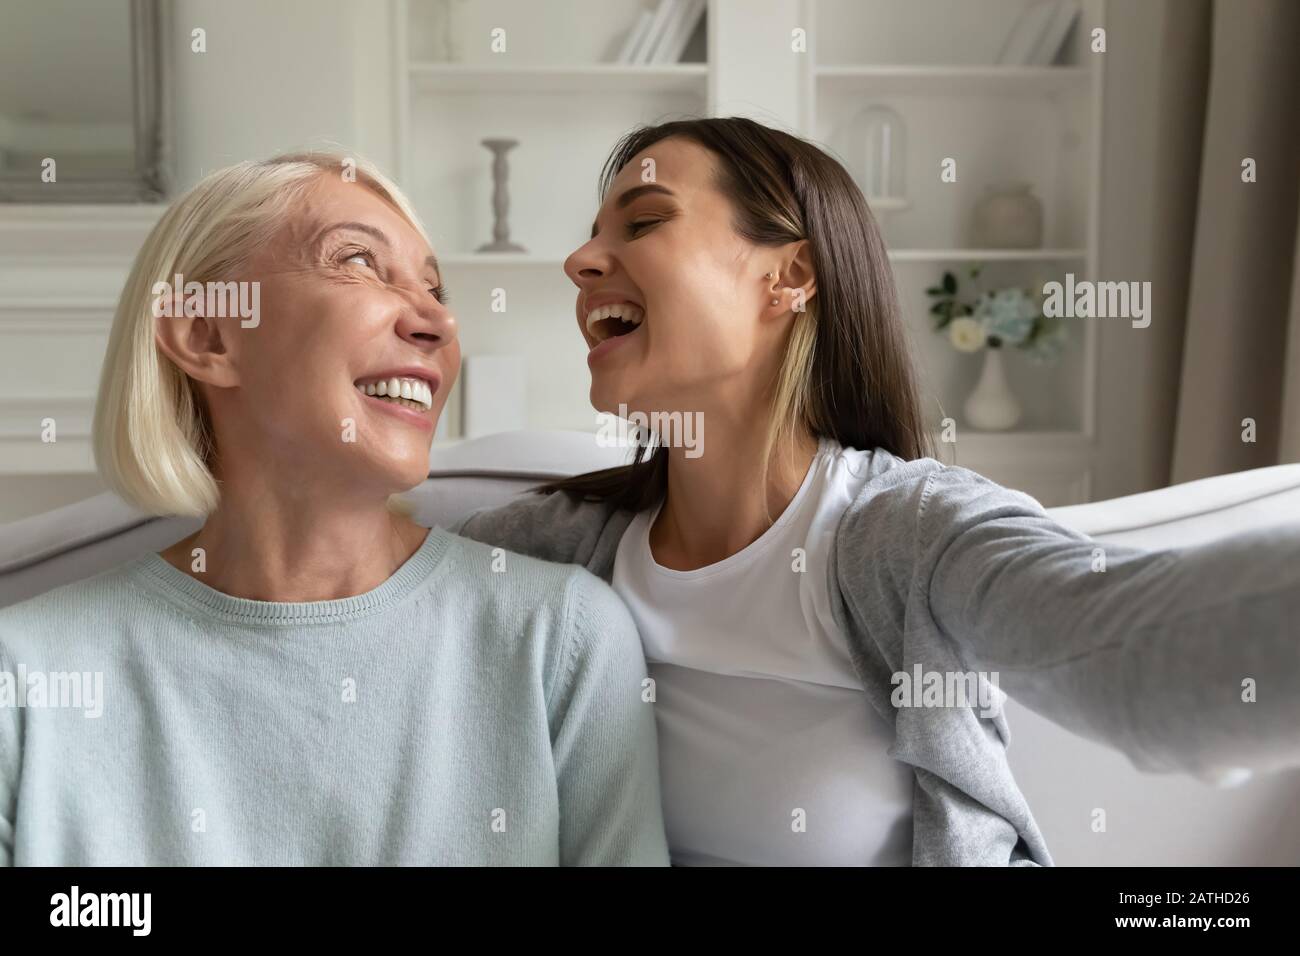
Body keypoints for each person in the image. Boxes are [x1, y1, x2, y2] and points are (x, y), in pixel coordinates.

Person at [454, 117, 1300, 866]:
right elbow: (361, 588)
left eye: (643, 222)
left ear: (789, 277)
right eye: (593, 235)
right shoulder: (561, 548)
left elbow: (1132, 650)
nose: (579, 261)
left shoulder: (915, 535)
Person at [0, 152, 669, 866]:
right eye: (357, 261)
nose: (438, 323)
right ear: (207, 334)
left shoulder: (557, 638)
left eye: (437, 289)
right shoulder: (25, 678)